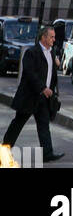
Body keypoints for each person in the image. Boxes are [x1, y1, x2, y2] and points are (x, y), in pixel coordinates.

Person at [1, 24, 64, 162]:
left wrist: (51, 87)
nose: (54, 40)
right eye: (51, 37)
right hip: (29, 96)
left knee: (44, 125)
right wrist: (43, 88)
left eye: (54, 37)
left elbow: (50, 74)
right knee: (17, 125)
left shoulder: (51, 53)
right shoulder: (32, 52)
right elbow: (30, 74)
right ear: (44, 37)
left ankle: (47, 153)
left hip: (43, 98)